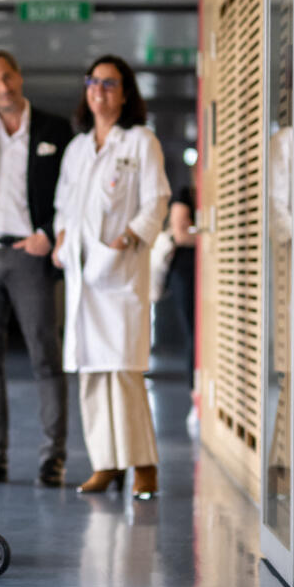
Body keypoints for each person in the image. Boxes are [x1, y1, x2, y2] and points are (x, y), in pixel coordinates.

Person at [52, 54, 170, 500]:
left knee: (123, 374)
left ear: (125, 93)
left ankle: (144, 466)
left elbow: (156, 201)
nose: (99, 90)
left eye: (109, 83)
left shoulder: (140, 141)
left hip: (119, 273)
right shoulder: (78, 147)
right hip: (83, 275)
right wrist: (63, 239)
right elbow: (64, 205)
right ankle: (105, 464)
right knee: (91, 374)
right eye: (93, 82)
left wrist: (125, 240)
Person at [0, 49, 72, 487]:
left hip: (30, 254)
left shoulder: (54, 129)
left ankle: (53, 457)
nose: (2, 88)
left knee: (46, 356)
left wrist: (49, 230)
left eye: (6, 77)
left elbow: (72, 189)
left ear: (19, 75)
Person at [167, 184, 197, 384]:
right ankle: (193, 388)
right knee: (192, 332)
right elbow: (180, 234)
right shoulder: (183, 194)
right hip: (184, 274)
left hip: (200, 273)